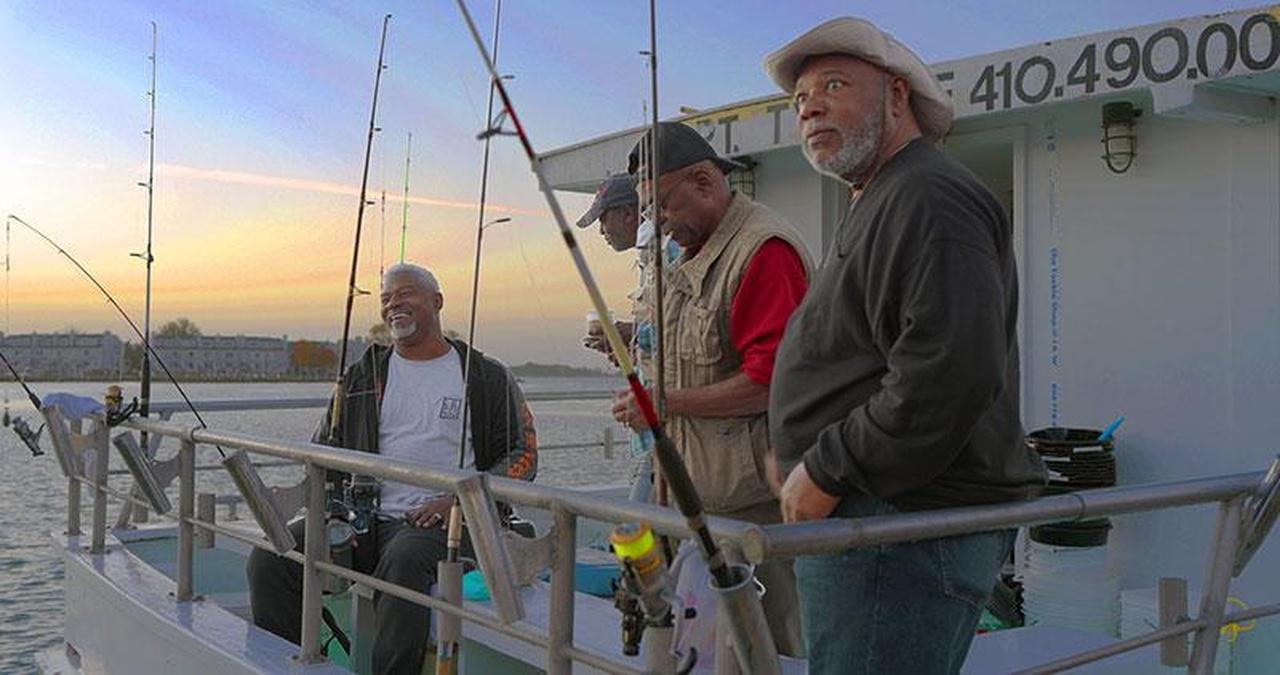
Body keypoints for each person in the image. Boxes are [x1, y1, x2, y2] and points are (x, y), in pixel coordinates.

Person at [762, 17, 1048, 673]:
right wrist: (791, 450)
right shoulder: (884, 195)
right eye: (800, 97)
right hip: (873, 526)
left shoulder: (930, 195)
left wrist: (826, 467)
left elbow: (947, 373)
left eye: (833, 84)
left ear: (896, 96)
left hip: (899, 534)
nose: (809, 106)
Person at [246, 262, 537, 675]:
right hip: (362, 520)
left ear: (437, 302)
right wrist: (318, 502)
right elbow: (324, 448)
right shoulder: (361, 376)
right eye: (386, 298)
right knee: (272, 557)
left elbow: (523, 455)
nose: (394, 304)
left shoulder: (487, 377)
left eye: (405, 294)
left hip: (453, 524)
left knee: (402, 561)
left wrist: (460, 500)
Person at [613, 121, 812, 661]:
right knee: (693, 649)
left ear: (704, 181)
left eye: (662, 207)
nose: (658, 223)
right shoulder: (692, 249)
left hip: (750, 513)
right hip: (690, 501)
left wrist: (666, 405)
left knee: (762, 651)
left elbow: (773, 382)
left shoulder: (763, 252)